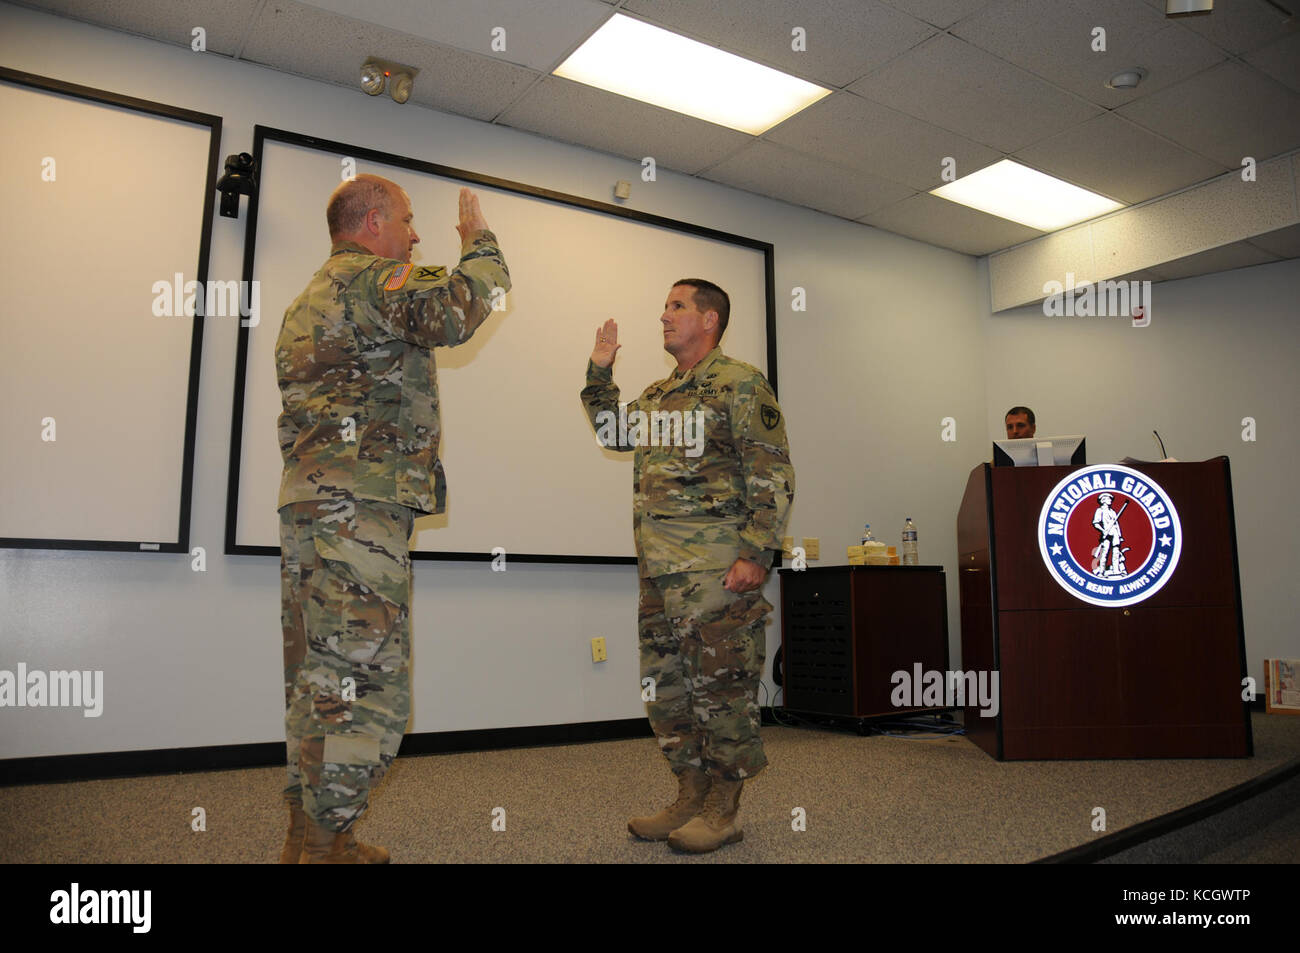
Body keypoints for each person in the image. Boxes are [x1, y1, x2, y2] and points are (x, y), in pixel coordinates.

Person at [276, 175, 509, 863]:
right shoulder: (376, 280)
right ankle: (322, 845)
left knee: (317, 679)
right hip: (359, 513)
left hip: (308, 509)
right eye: (408, 221)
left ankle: (314, 835)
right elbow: (464, 306)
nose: (416, 235)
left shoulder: (302, 303)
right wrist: (480, 243)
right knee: (366, 683)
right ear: (373, 222)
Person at [580, 279, 794, 854]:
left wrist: (755, 553)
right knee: (669, 691)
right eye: (667, 306)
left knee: (721, 690)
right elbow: (613, 432)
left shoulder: (741, 383)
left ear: (710, 320)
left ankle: (725, 810)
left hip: (716, 571)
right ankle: (688, 795)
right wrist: (599, 373)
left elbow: (771, 471)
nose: (664, 315)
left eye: (677, 306)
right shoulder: (656, 394)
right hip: (659, 574)